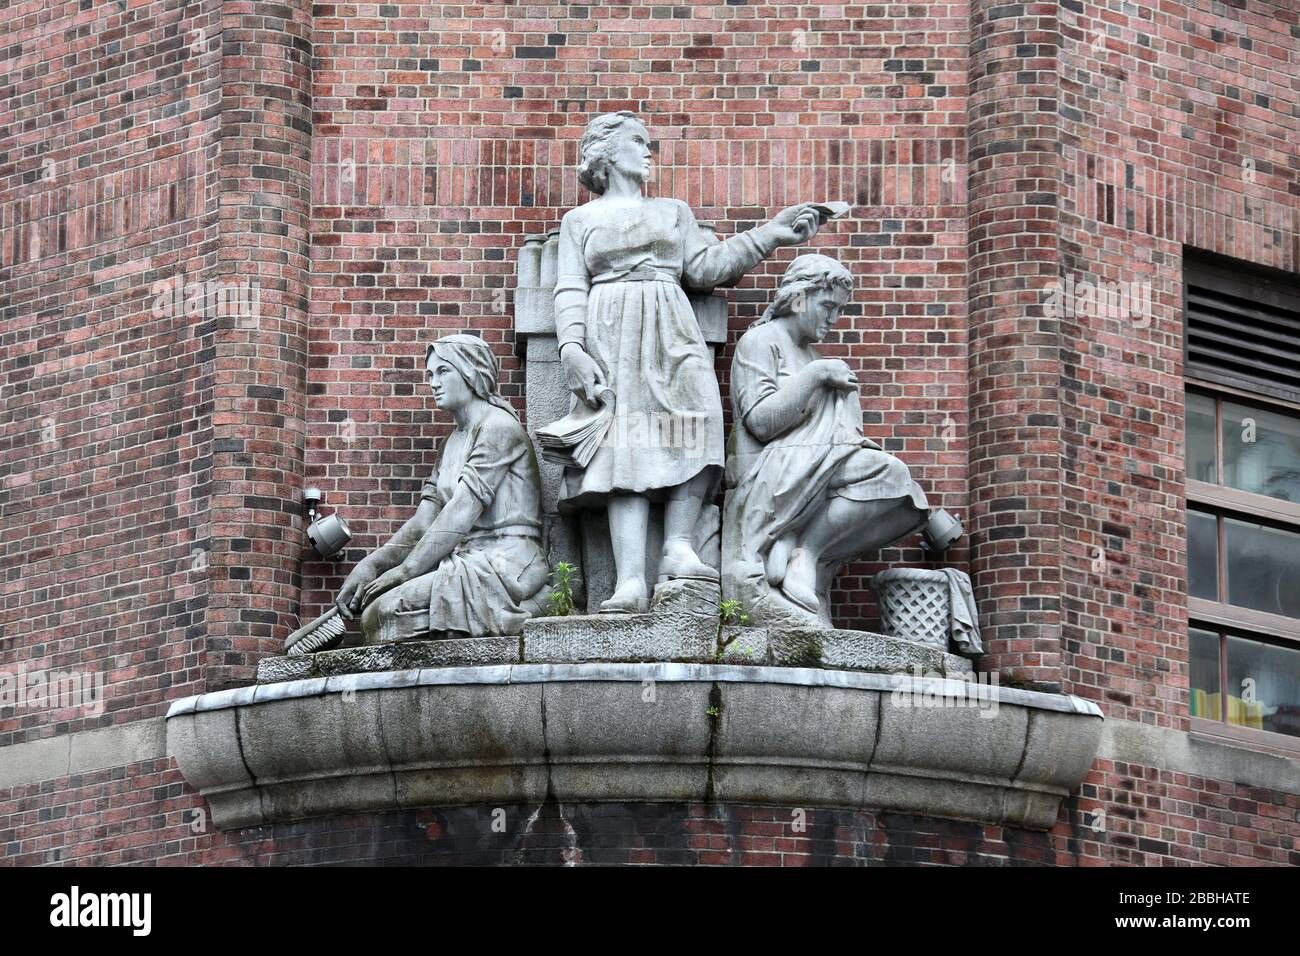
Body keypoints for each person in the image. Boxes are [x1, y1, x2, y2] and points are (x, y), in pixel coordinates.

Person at [554, 110, 826, 612]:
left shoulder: (673, 212)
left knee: (698, 420)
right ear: (606, 153)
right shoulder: (580, 221)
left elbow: (705, 268)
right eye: (638, 142)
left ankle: (678, 547)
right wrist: (571, 347)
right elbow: (570, 288)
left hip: (672, 323)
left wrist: (771, 234)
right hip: (611, 329)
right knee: (625, 445)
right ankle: (630, 580)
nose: (648, 151)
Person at [723, 255, 931, 627]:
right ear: (799, 298)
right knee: (889, 475)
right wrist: (817, 375)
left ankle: (807, 551)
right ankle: (785, 539)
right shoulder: (760, 341)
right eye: (828, 305)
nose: (834, 318)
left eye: (839, 308)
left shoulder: (816, 356)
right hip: (772, 468)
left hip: (821, 461)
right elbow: (760, 421)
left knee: (899, 490)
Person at [334, 334, 550, 642]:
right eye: (430, 375)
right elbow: (424, 521)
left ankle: (528, 607)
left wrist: (405, 571)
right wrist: (373, 564)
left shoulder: (498, 428)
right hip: (468, 560)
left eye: (443, 371)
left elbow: (461, 511)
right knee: (377, 615)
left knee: (381, 616)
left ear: (471, 372)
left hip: (508, 561)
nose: (434, 382)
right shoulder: (451, 443)